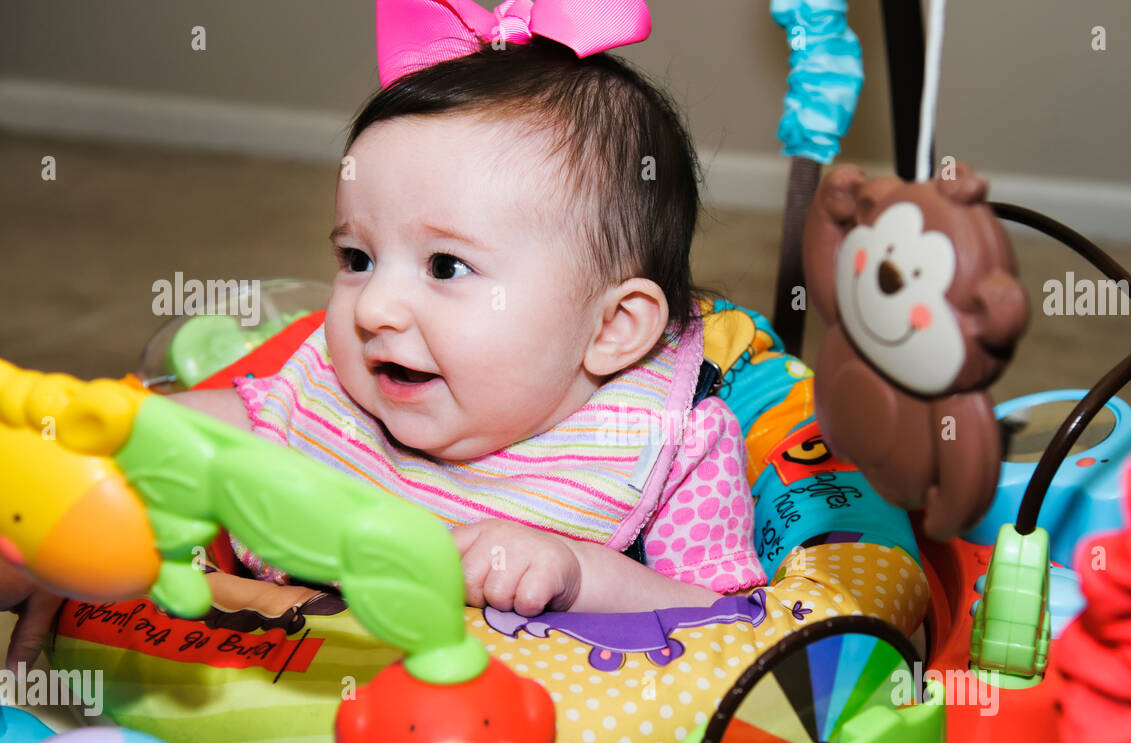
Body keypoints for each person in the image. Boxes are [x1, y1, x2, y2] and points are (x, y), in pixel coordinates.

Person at [2, 3, 767, 673]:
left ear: (610, 328)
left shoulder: (664, 445)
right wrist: (61, 499)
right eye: (357, 258)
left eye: (445, 265)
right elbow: (174, 442)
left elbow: (729, 628)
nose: (375, 308)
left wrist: (578, 574)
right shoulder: (329, 399)